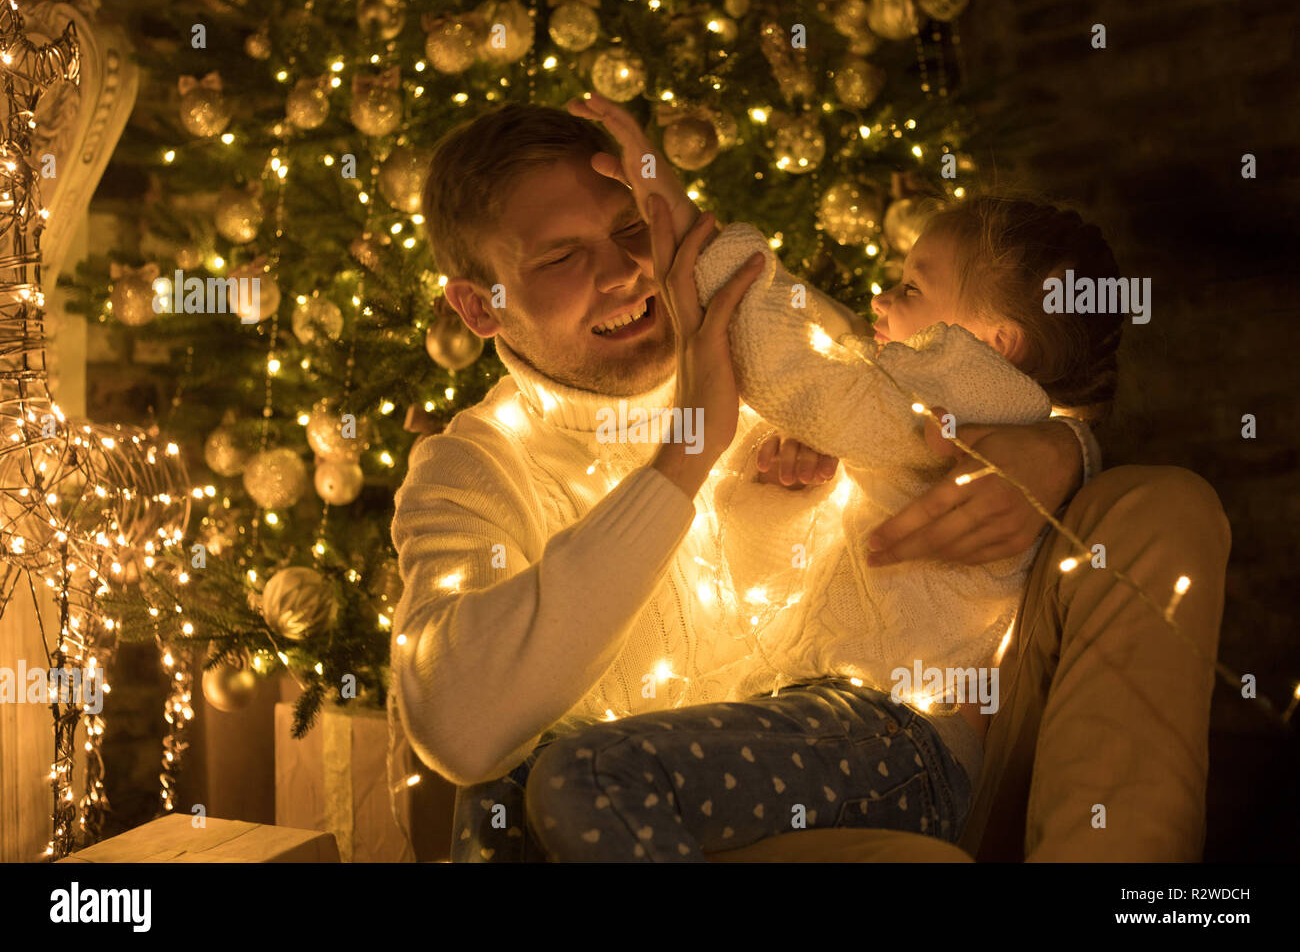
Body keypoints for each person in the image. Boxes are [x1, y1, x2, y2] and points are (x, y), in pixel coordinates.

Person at [391, 96, 1230, 862]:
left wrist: (1061, 449)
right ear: (479, 308)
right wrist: (684, 458)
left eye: (631, 228)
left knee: (1165, 506)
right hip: (677, 819)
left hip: (904, 752)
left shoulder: (781, 363)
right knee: (517, 785)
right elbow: (462, 734)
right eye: (563, 257)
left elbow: (934, 385)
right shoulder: (474, 466)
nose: (624, 274)